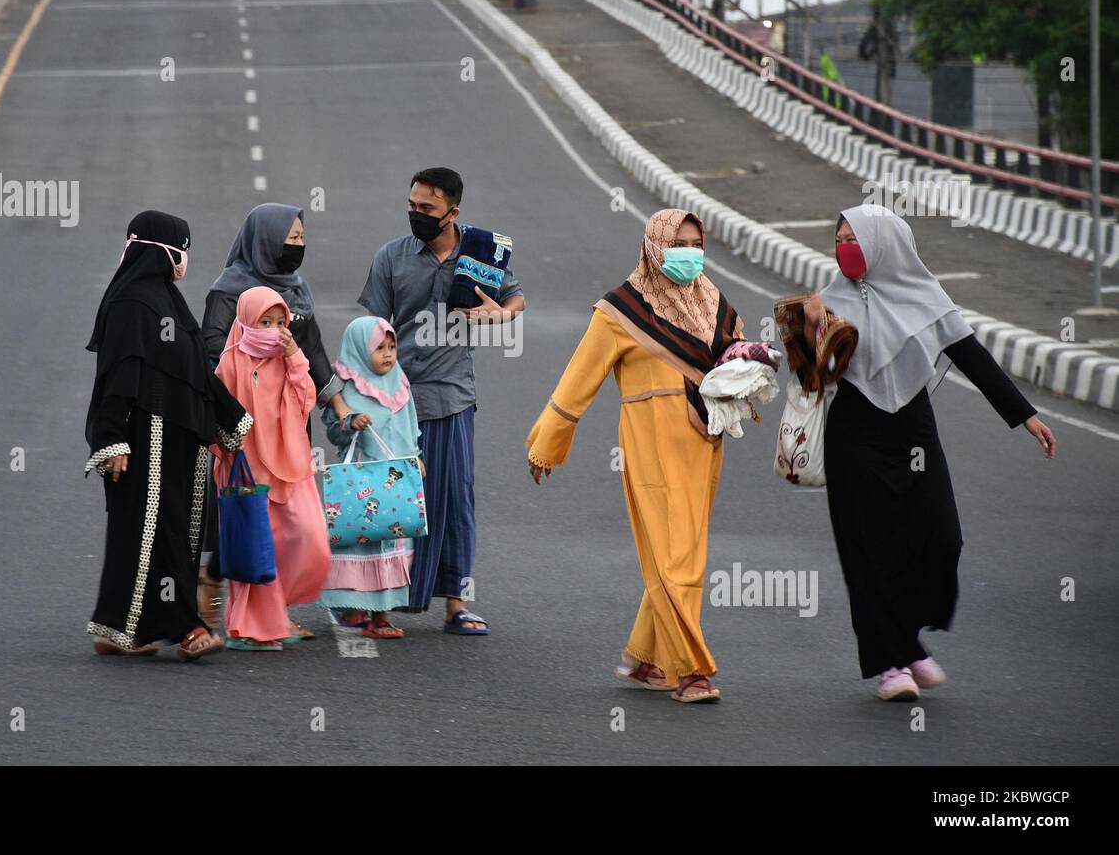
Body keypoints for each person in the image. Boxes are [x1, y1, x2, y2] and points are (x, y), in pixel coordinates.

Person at [805, 204, 1057, 701]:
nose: (844, 249)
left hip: (914, 433)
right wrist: (815, 326)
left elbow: (972, 356)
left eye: (854, 239)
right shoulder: (825, 300)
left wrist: (1024, 415)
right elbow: (811, 378)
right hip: (853, 436)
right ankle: (891, 663)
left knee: (941, 539)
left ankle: (910, 640)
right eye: (838, 240)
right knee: (869, 552)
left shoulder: (927, 297)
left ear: (885, 244)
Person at [526, 208, 751, 704]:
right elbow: (578, 380)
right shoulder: (620, 310)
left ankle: (647, 658)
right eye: (679, 244)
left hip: (702, 442)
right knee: (675, 556)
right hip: (649, 446)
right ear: (655, 246)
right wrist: (548, 442)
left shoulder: (713, 302)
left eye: (696, 244)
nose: (690, 254)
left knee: (684, 550)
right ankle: (690, 670)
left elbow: (734, 357)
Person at [358, 167, 526, 635]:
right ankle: (381, 604)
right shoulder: (392, 256)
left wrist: (500, 314)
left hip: (453, 396)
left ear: (453, 212)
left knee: (454, 500)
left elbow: (516, 299)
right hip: (397, 399)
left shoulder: (480, 253)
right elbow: (372, 327)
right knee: (394, 501)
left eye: (426, 209)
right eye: (412, 206)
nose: (416, 214)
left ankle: (456, 603)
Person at [84, 210, 251, 661]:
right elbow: (118, 374)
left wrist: (232, 421)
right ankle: (187, 628)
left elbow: (194, 371)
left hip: (175, 441)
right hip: (147, 443)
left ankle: (123, 630)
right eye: (182, 249)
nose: (185, 260)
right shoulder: (133, 304)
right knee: (162, 534)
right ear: (162, 251)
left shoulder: (164, 301)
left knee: (149, 534)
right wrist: (112, 439)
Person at [200, 203, 351, 640]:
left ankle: (275, 610)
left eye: (301, 239)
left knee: (293, 527)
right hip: (243, 421)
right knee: (246, 518)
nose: (297, 246)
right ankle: (218, 587)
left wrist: (336, 403)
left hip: (288, 420)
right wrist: (254, 355)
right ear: (265, 238)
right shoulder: (230, 290)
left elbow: (315, 350)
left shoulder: (296, 289)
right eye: (291, 238)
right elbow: (212, 345)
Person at [212, 286, 331, 651]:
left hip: (291, 465)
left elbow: (305, 400)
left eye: (281, 322)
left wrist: (296, 356)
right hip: (248, 471)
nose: (274, 330)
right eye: (265, 321)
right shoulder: (230, 362)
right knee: (255, 547)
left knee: (312, 541)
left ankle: (277, 611)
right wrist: (228, 453)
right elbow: (215, 416)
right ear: (247, 321)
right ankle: (250, 628)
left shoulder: (285, 357)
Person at [318, 316, 421, 639]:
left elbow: (410, 426)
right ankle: (350, 605)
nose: (388, 354)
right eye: (379, 348)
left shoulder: (400, 382)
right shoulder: (346, 386)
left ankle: (381, 616)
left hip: (397, 483)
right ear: (360, 350)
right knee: (360, 542)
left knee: (391, 543)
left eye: (391, 347)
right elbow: (334, 432)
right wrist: (350, 423)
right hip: (362, 482)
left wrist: (416, 459)